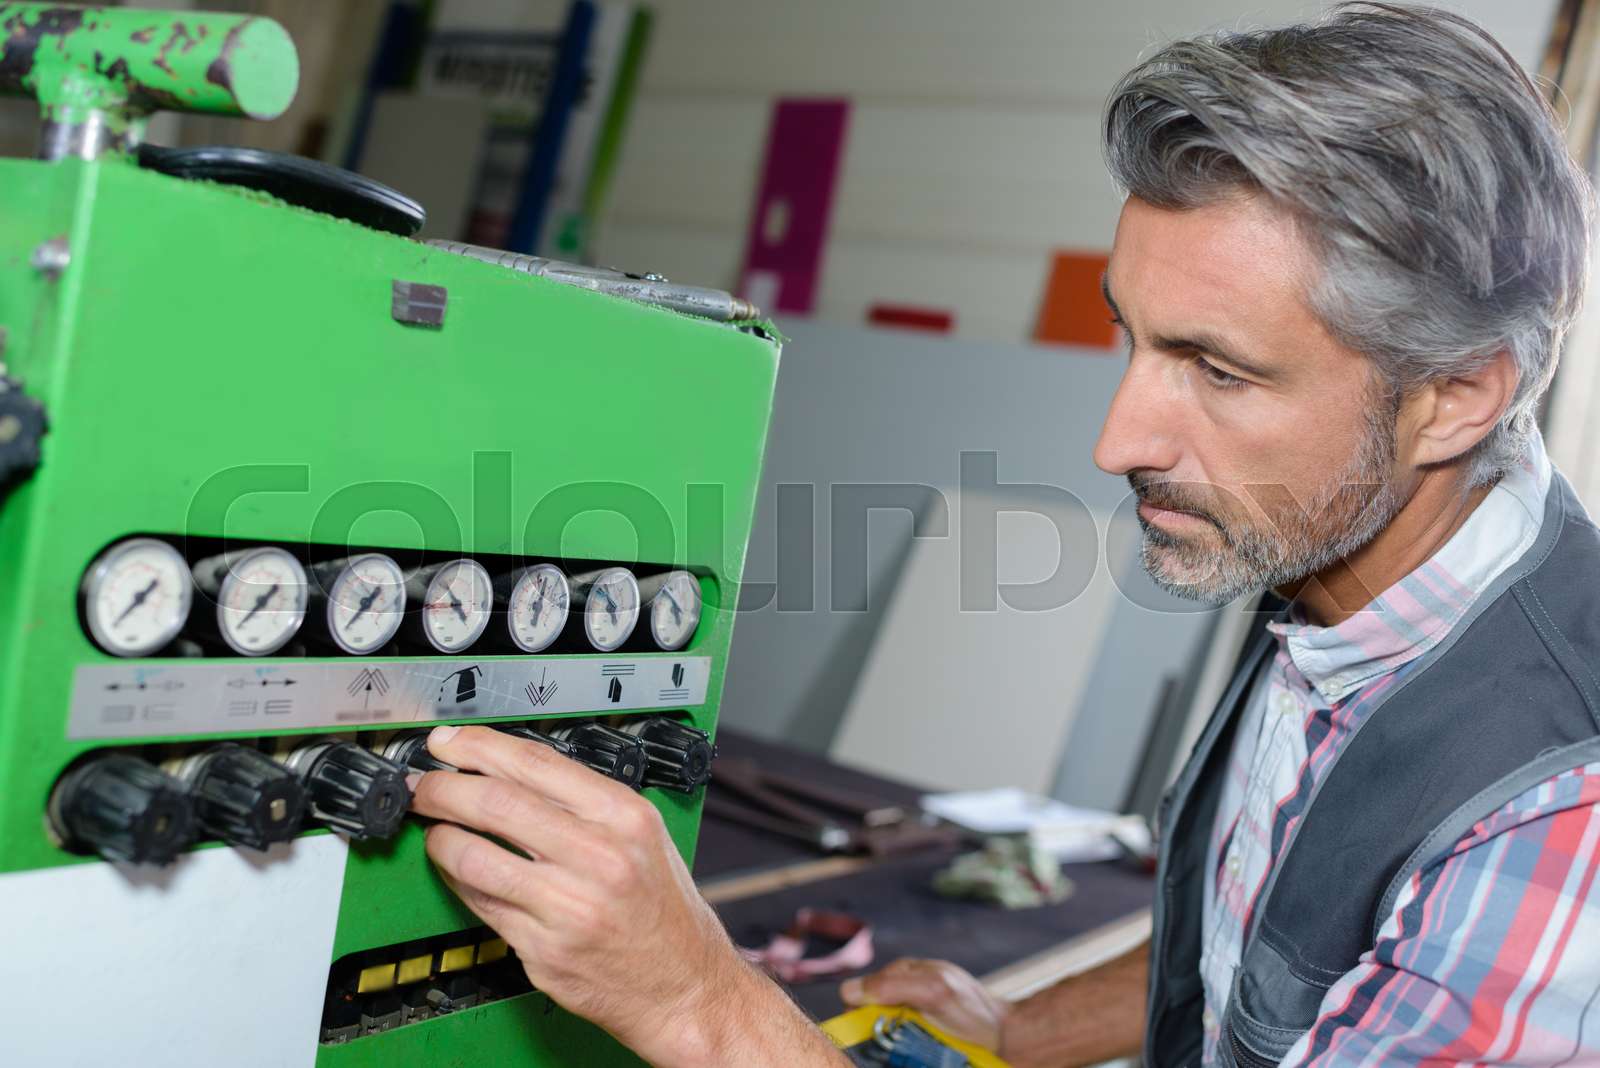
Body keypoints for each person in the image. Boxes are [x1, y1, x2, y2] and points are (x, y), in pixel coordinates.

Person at [407, 3, 1600, 1064]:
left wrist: (699, 1004)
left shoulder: (1554, 810)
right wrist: (1023, 1027)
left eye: (1218, 370)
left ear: (1455, 397)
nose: (1118, 439)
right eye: (1132, 337)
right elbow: (1265, 937)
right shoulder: (1347, 566)